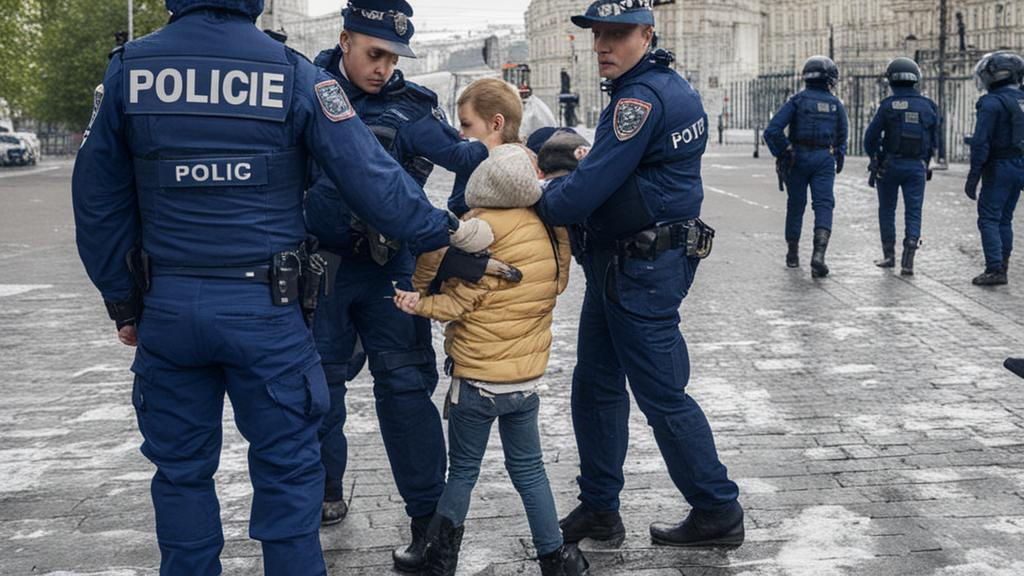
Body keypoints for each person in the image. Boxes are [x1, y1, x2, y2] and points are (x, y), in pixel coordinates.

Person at [71, 1, 490, 574]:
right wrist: (445, 236)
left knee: (180, 475)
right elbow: (371, 177)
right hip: (265, 309)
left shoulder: (131, 69)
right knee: (291, 474)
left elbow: (97, 199)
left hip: (169, 306)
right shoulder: (291, 73)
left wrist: (122, 297)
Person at [533, 0, 744, 550]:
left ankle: (717, 508)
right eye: (598, 34)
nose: (603, 45)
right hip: (629, 264)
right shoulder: (667, 85)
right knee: (596, 386)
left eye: (617, 34)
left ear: (646, 35)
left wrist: (538, 197)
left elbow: (586, 188)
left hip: (639, 270)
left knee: (661, 395)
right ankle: (600, 508)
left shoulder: (639, 100)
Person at [301, 3, 493, 570]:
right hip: (325, 270)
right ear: (344, 40)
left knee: (406, 391)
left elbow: (464, 157)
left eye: (392, 57)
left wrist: (460, 216)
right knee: (318, 392)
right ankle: (324, 493)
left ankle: (426, 522)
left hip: (392, 271)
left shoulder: (411, 110)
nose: (383, 67)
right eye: (373, 53)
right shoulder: (305, 92)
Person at [394, 77, 585, 576]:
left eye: (466, 126)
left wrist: (419, 299)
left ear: (495, 126)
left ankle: (438, 558)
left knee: (463, 473)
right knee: (531, 471)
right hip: (526, 378)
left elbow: (443, 292)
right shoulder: (547, 217)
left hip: (477, 378)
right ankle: (555, 557)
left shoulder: (480, 222)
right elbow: (558, 281)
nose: (460, 137)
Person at [764, 55, 849, 277]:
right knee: (823, 205)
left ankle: (792, 255)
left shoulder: (797, 101)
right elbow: (842, 137)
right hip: (823, 159)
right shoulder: (836, 105)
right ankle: (818, 256)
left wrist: (784, 151)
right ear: (830, 79)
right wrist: (838, 157)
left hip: (797, 159)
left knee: (796, 206)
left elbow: (771, 131)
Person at [863, 57, 940, 275]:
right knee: (913, 211)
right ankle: (909, 260)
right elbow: (936, 140)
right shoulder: (929, 106)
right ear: (916, 79)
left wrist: (875, 156)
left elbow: (870, 138)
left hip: (890, 164)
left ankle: (889, 256)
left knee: (887, 209)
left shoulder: (887, 105)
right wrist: (926, 162)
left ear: (891, 81)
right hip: (917, 166)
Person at [965, 51, 1024, 286]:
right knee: (1005, 219)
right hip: (1019, 163)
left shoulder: (991, 103)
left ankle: (995, 269)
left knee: (988, 218)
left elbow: (981, 143)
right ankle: (1003, 265)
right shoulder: (1020, 99)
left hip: (999, 166)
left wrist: (973, 177)